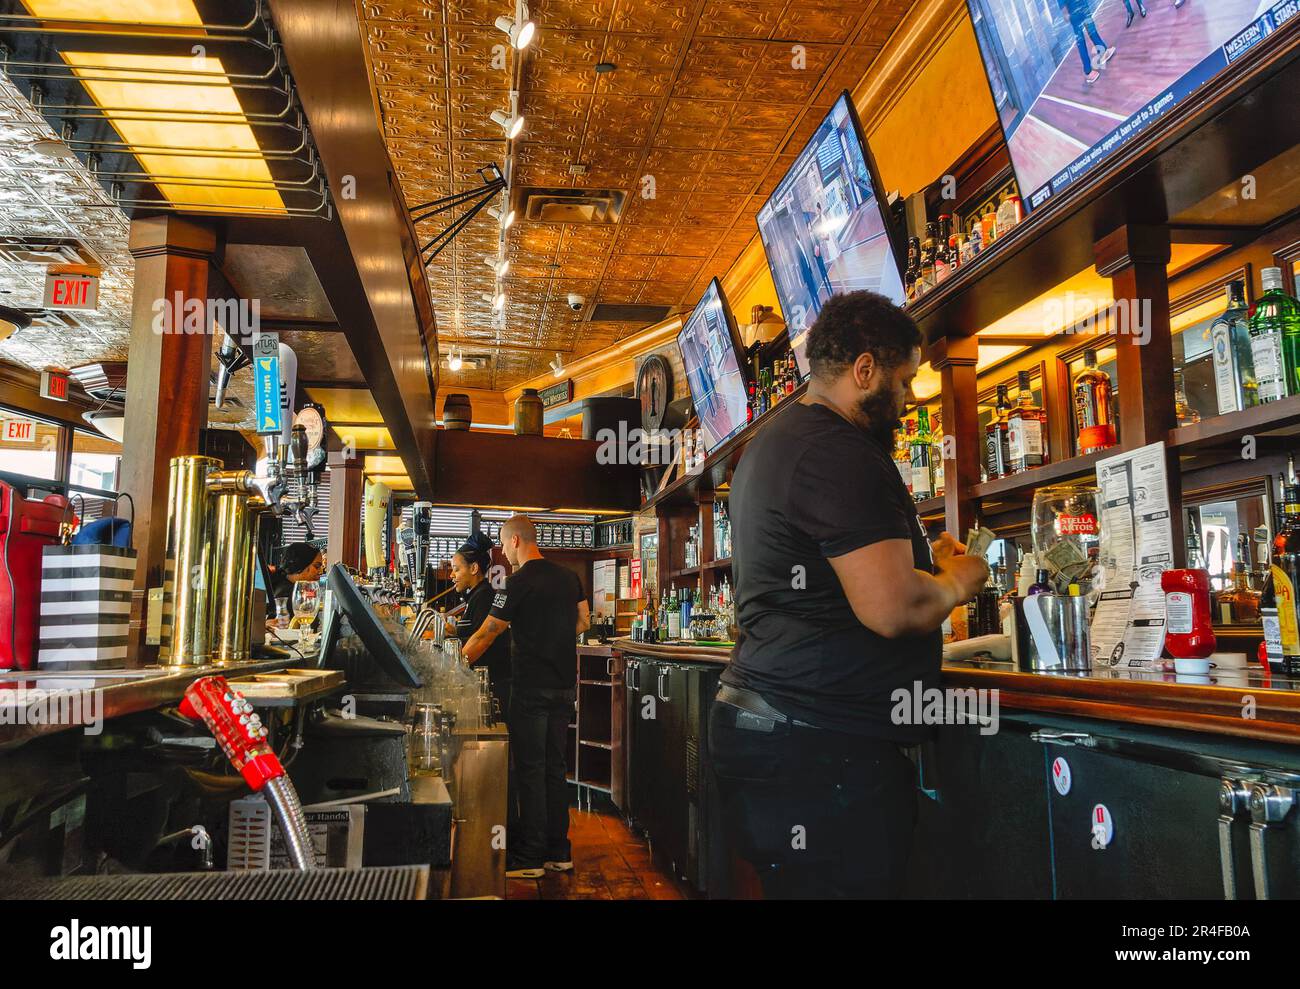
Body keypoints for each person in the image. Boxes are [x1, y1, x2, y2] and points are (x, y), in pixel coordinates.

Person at [710, 290, 988, 899]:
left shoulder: (776, 444)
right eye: (905, 379)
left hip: (776, 727)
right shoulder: (838, 451)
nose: (911, 397)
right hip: (817, 742)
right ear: (865, 370)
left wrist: (926, 562)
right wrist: (959, 582)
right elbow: (891, 607)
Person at [462, 515, 590, 879]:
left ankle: (531, 857)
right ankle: (558, 851)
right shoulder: (569, 578)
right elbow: (584, 621)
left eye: (503, 545)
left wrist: (457, 663)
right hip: (564, 687)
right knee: (555, 769)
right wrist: (553, 633)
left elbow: (488, 633)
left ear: (516, 541)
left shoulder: (515, 584)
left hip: (531, 688)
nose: (502, 553)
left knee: (531, 771)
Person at [449, 532, 511, 720]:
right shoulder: (476, 595)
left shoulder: (483, 597)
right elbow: (473, 631)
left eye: (456, 569)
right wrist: (453, 631)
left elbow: (483, 641)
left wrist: (450, 668)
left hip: (492, 687)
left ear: (474, 568)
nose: (452, 575)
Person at [1058, 0, 1114, 85]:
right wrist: (1069, 15)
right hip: (1075, 13)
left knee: (1092, 31)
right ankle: (1088, 71)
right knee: (1081, 41)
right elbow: (1063, 10)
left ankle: (1103, 53)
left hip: (1083, 7)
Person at [266, 542, 324, 619]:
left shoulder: (283, 583)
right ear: (301, 564)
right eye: (317, 566)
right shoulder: (288, 594)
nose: (320, 572)